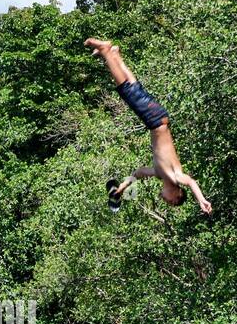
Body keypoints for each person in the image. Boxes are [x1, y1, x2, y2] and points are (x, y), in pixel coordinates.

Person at [84, 38, 213, 215]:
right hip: (156, 120)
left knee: (134, 88)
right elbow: (191, 182)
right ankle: (106, 51)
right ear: (177, 196)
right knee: (126, 91)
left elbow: (138, 173)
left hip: (155, 120)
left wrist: (121, 189)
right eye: (169, 202)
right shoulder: (175, 176)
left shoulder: (159, 174)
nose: (163, 199)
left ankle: (115, 55)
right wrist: (201, 200)